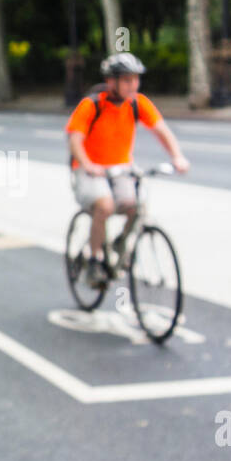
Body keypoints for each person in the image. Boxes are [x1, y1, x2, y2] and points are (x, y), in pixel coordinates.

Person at [65, 52, 189, 287]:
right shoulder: (92, 105)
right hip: (89, 170)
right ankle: (94, 260)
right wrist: (88, 165)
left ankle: (120, 243)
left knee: (137, 207)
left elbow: (162, 131)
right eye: (127, 80)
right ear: (111, 82)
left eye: (136, 79)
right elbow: (74, 140)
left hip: (121, 168)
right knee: (105, 205)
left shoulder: (138, 104)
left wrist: (177, 157)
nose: (133, 85)